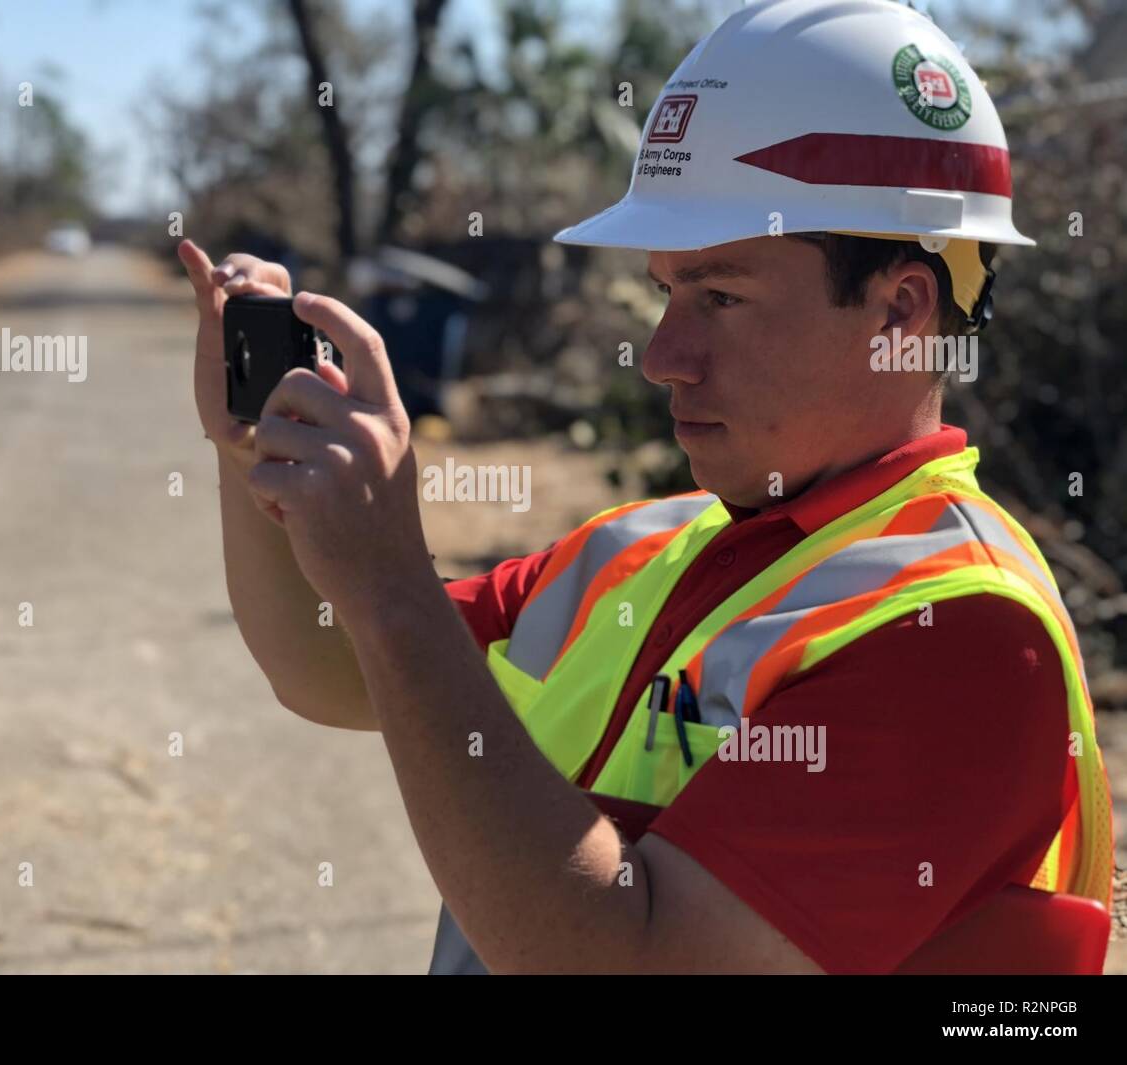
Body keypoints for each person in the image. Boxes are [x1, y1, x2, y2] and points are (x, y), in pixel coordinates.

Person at [177, 0, 1113, 974]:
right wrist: (256, 462)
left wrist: (391, 589)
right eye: (668, 293)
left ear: (899, 311)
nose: (663, 355)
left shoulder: (957, 634)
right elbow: (324, 670)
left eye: (721, 297)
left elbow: (625, 959)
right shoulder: (642, 555)